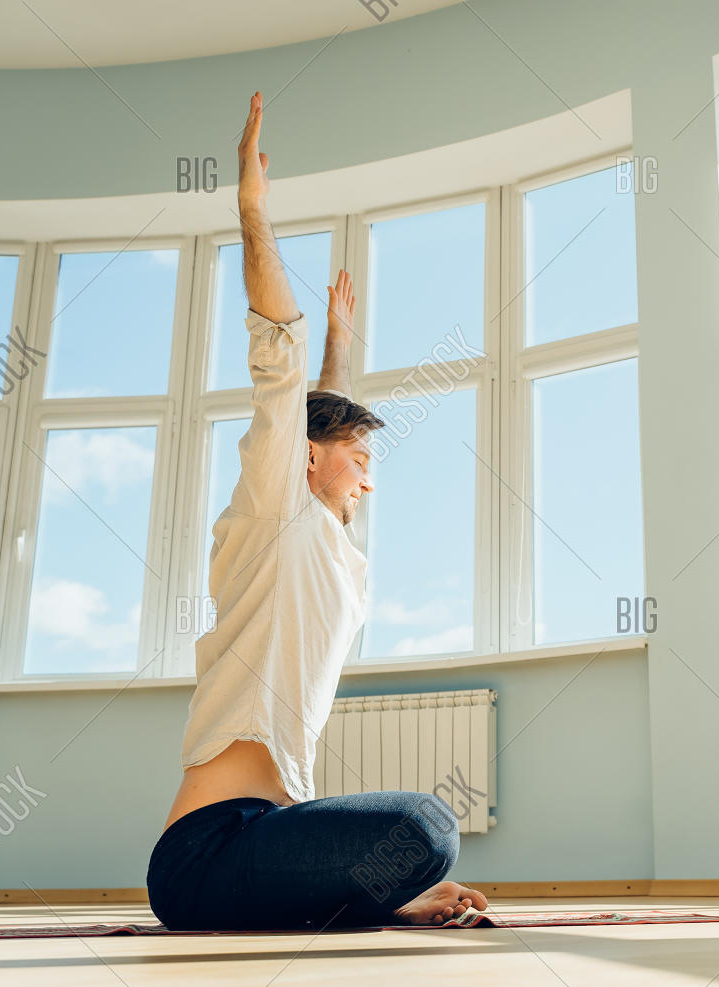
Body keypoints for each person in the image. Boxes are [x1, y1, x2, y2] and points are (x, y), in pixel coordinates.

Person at [146, 92, 489, 930]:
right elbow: (284, 376)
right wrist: (252, 210)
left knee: (415, 843)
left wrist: (340, 346)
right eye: (361, 459)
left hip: (270, 833)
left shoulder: (331, 544)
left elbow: (320, 413)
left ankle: (381, 901)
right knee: (426, 826)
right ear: (306, 459)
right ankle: (380, 892)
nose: (369, 480)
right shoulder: (274, 510)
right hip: (206, 851)